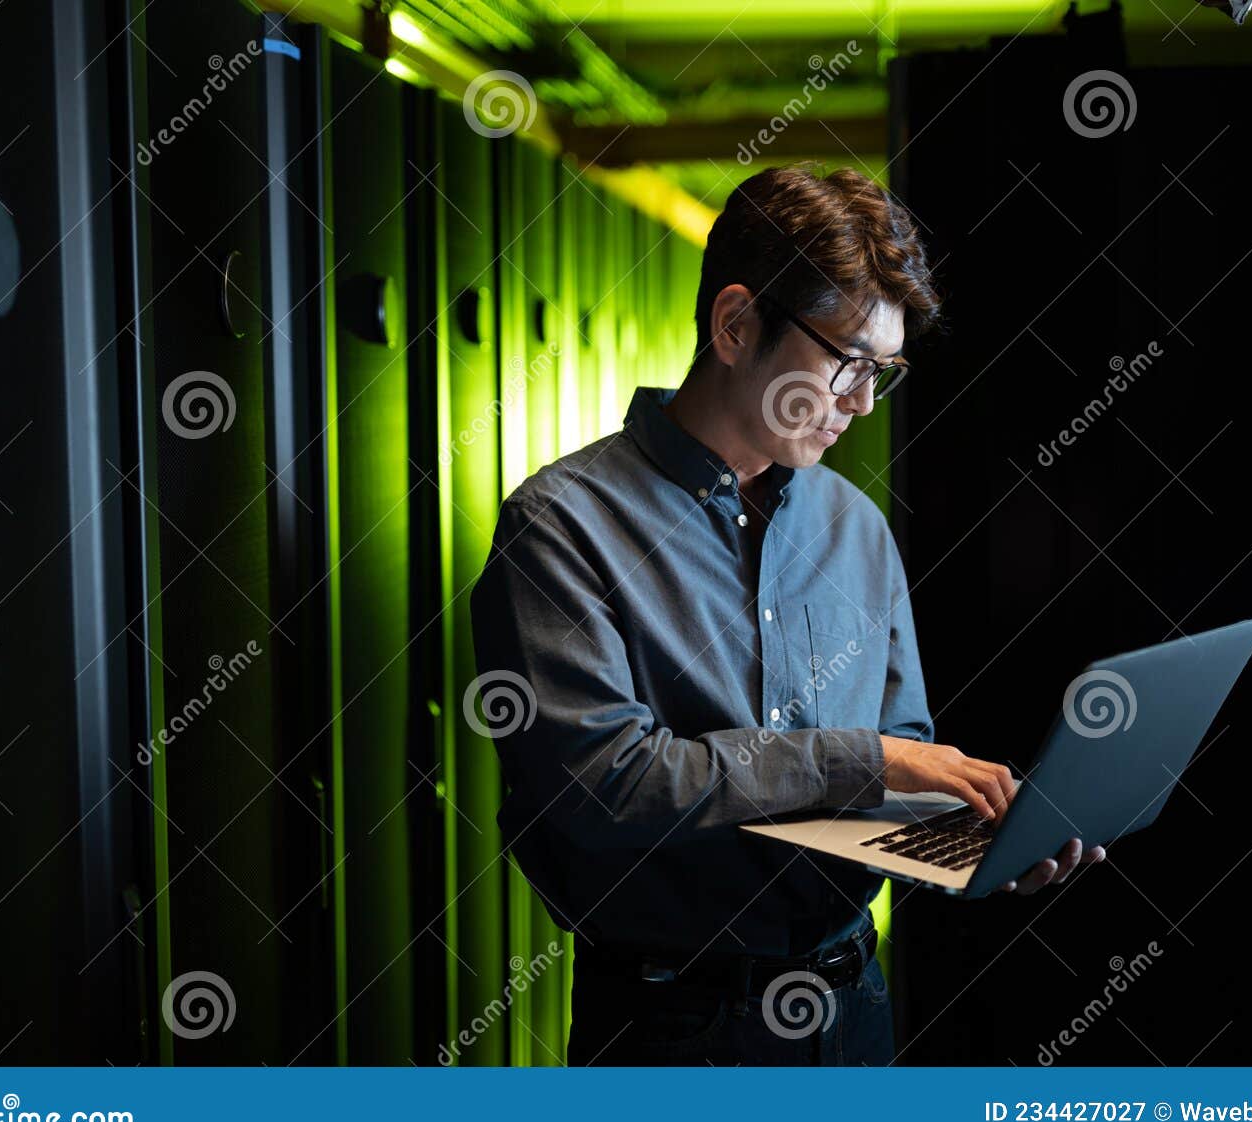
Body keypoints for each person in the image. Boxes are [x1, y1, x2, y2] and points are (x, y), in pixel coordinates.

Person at [469, 165, 1104, 1066]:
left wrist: (981, 842)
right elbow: (601, 784)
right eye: (847, 360)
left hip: (854, 1012)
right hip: (673, 1035)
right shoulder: (563, 524)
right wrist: (865, 759)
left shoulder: (856, 527)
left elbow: (902, 751)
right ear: (736, 324)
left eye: (883, 370)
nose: (861, 402)